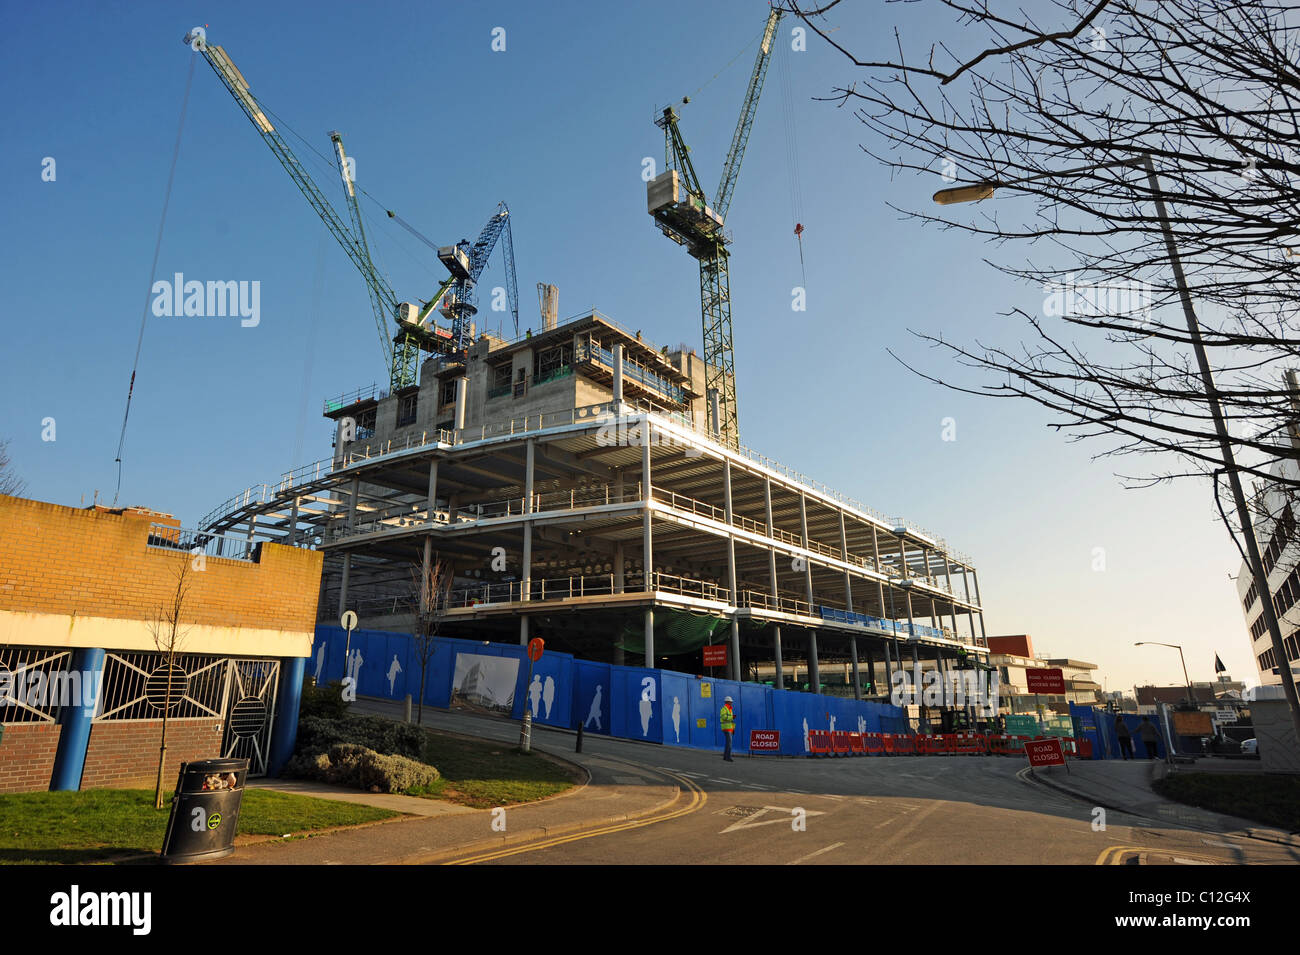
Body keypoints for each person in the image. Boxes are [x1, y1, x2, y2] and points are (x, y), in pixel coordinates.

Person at [720, 695, 737, 761]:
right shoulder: (724, 709)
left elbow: (731, 721)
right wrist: (732, 717)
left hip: (729, 728)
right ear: (727, 702)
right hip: (726, 728)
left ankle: (725, 757)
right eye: (730, 702)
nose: (731, 703)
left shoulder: (730, 709)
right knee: (729, 743)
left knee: (728, 743)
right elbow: (724, 717)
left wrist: (733, 728)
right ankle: (728, 757)